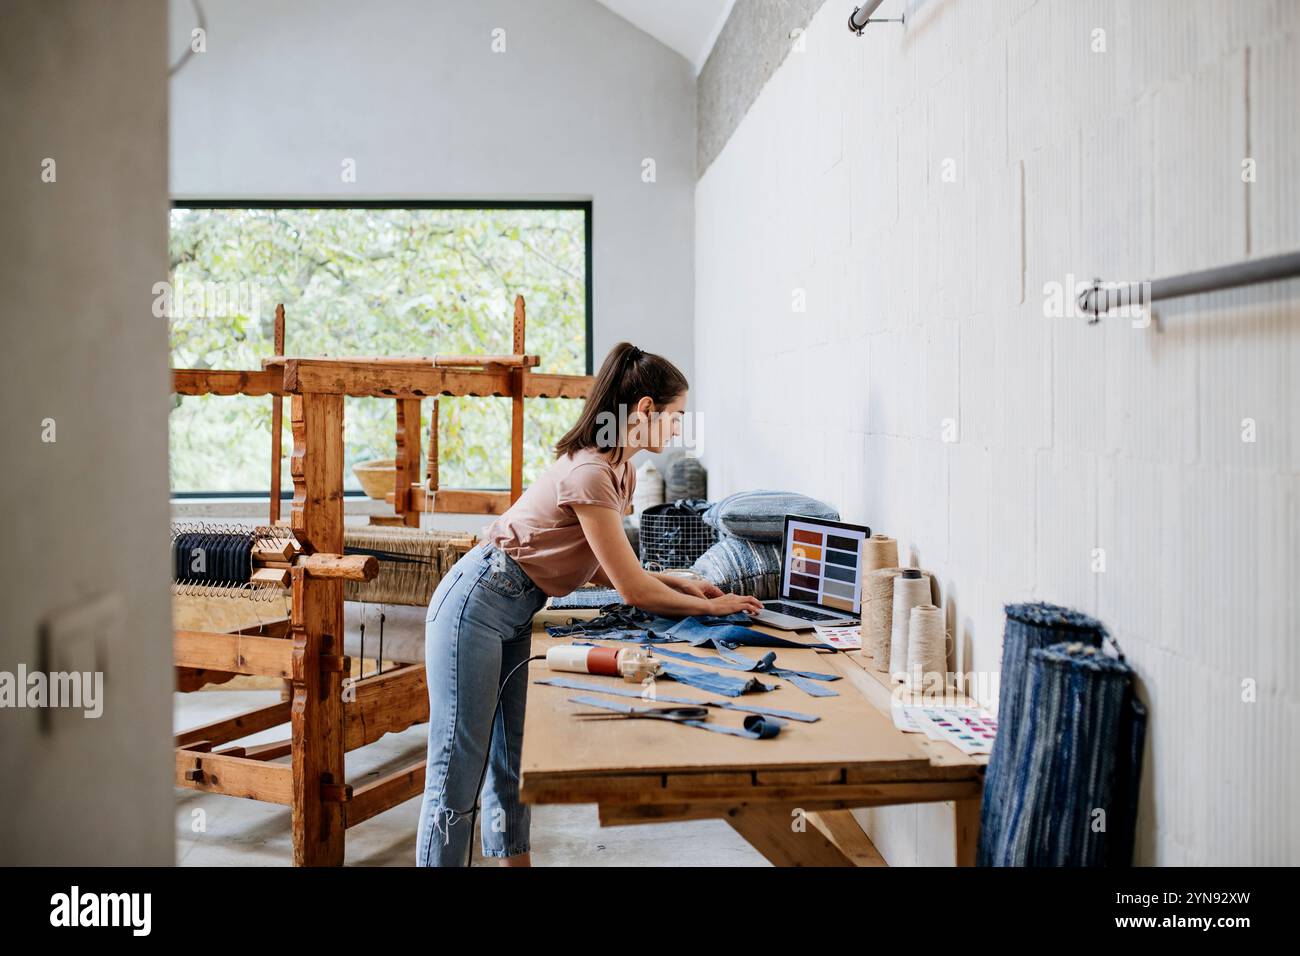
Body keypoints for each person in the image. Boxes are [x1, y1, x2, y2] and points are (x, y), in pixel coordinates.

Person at [414, 342, 762, 866]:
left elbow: (605, 565)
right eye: (675, 417)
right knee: (456, 770)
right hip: (475, 606)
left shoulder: (618, 471)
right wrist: (713, 609)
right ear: (644, 410)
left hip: (509, 610)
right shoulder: (592, 472)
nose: (677, 430)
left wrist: (685, 584)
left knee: (512, 762)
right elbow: (632, 592)